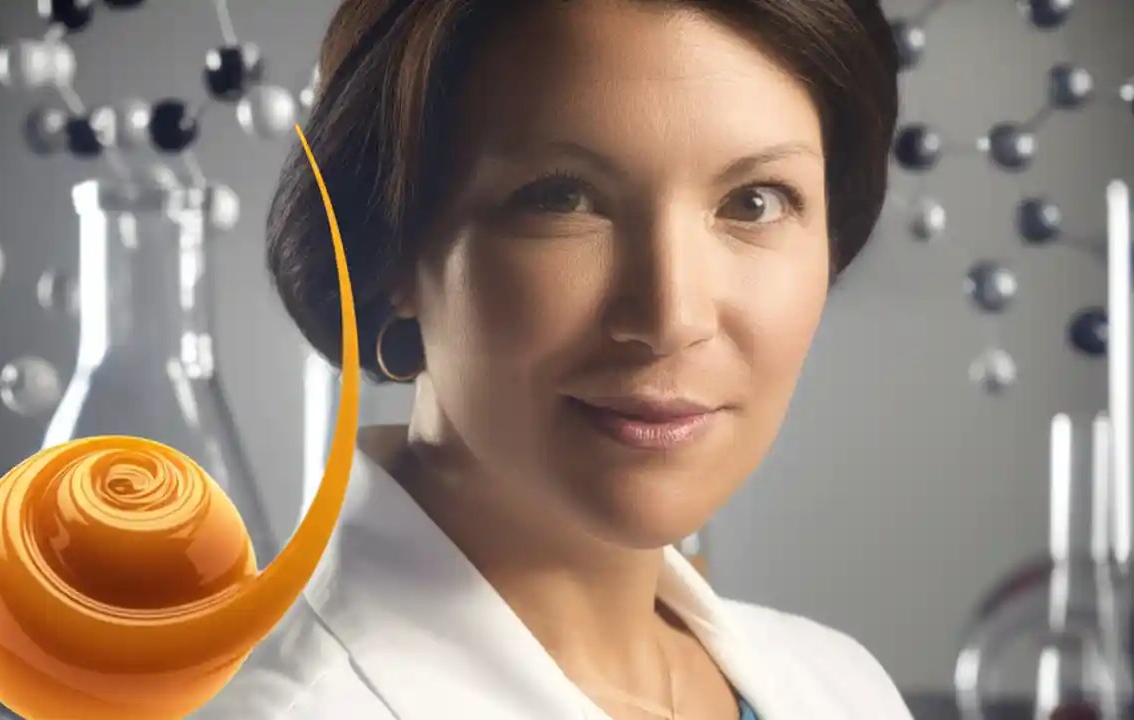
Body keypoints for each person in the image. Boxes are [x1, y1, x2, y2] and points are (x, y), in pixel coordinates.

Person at [259, 0, 911, 717]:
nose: (671, 319)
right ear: (394, 250)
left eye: (753, 203)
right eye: (564, 198)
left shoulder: (845, 688)